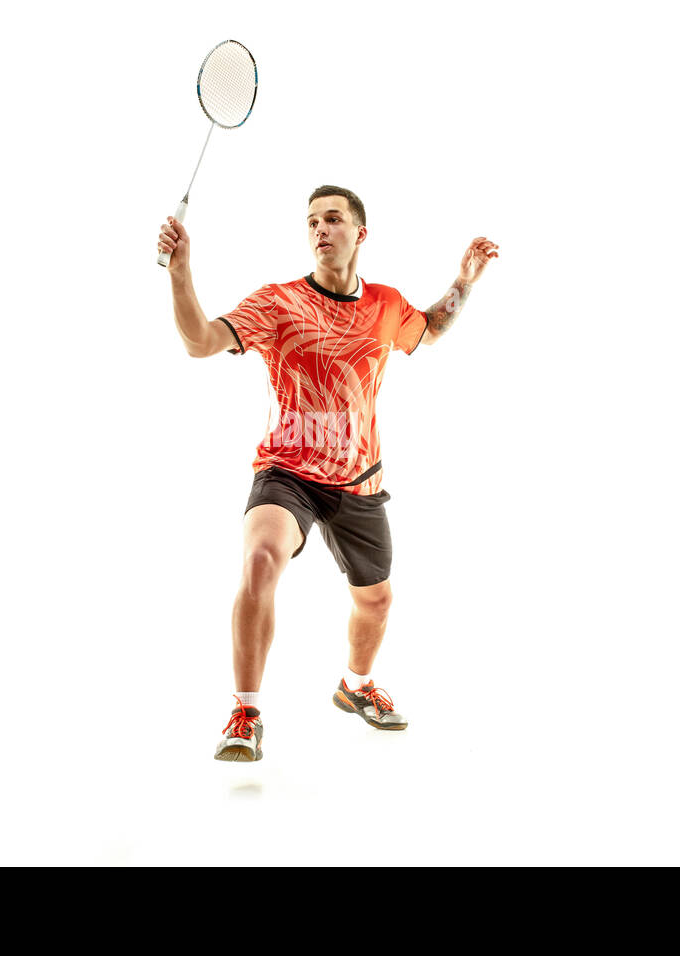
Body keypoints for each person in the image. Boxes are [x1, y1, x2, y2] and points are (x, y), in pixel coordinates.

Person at [157, 185, 498, 761]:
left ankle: (356, 686)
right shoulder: (279, 303)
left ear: (359, 234)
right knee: (260, 560)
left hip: (358, 479)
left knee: (377, 602)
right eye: (312, 221)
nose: (320, 229)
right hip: (287, 473)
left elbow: (431, 328)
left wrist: (466, 280)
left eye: (333, 219)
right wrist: (181, 272)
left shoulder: (385, 305)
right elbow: (200, 342)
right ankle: (246, 712)